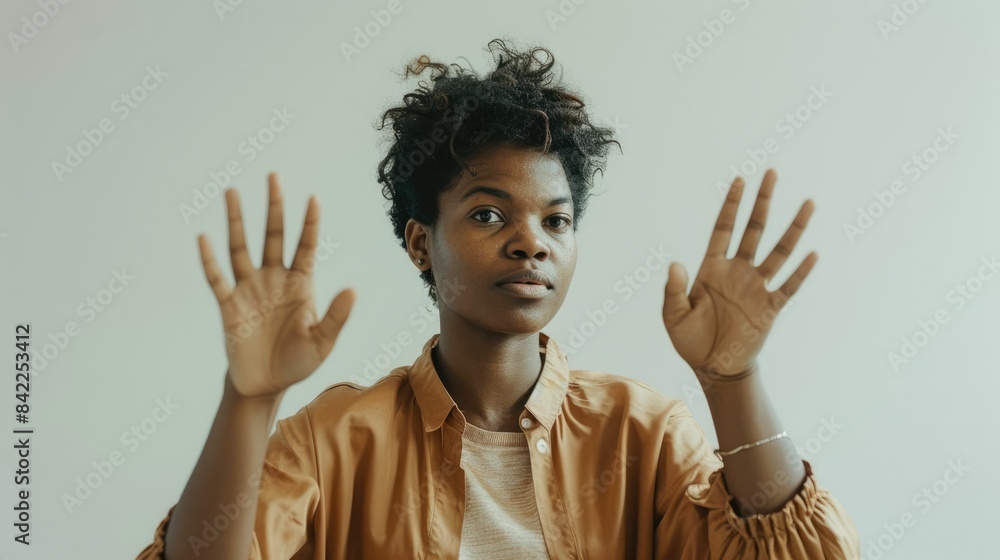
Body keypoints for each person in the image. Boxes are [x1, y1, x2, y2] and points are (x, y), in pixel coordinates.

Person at [136, 38, 859, 559]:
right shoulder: (336, 440)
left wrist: (733, 382)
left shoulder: (643, 435)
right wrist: (249, 400)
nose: (531, 242)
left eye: (556, 220)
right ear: (422, 243)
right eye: (488, 214)